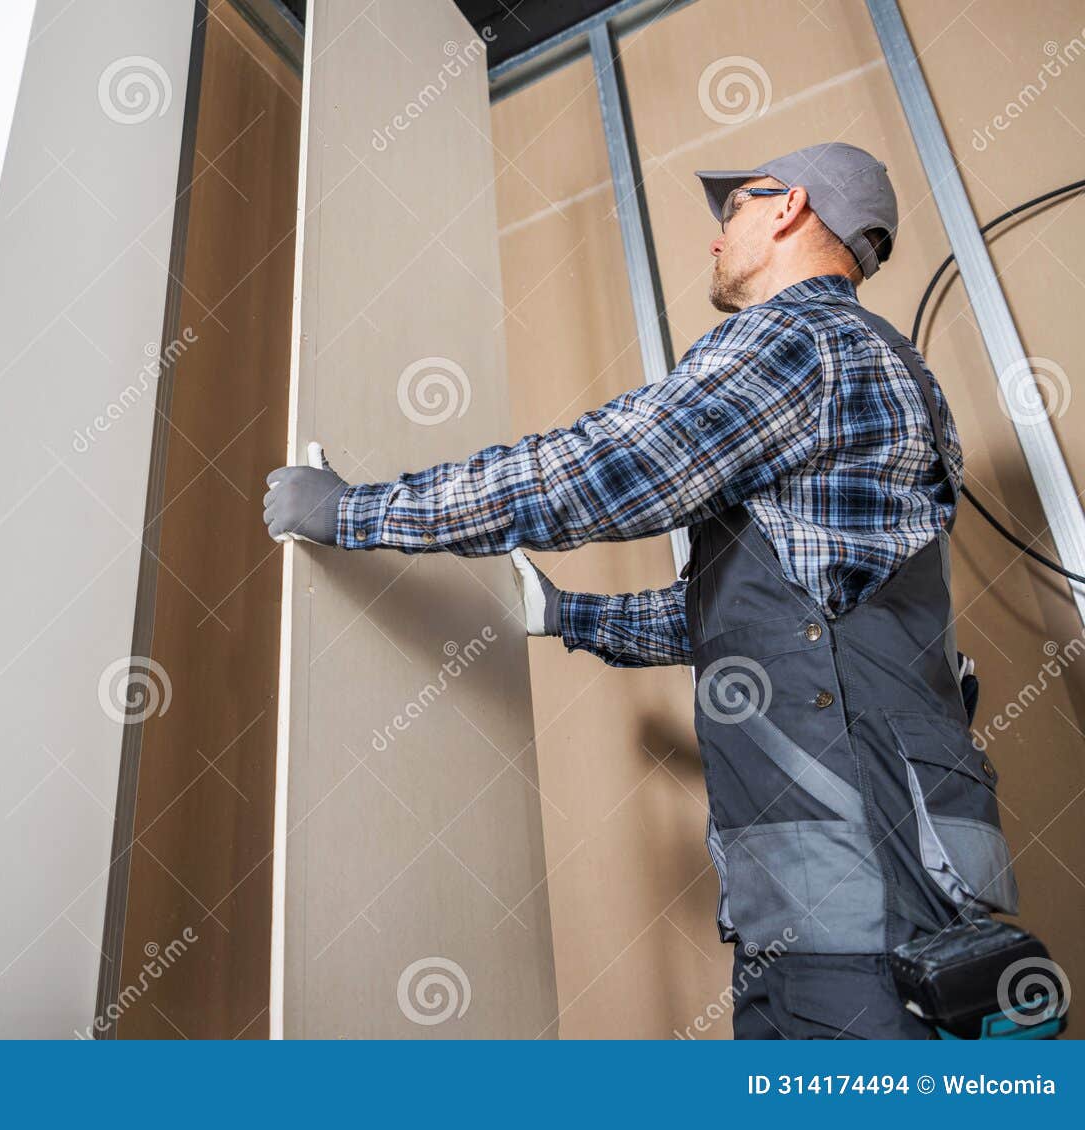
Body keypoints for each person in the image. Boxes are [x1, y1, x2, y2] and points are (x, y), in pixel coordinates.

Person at [262, 142, 1018, 1040]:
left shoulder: (801, 342)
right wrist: (568, 616)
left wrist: (360, 513)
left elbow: (605, 468)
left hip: (854, 899)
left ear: (789, 208)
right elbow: (788, 618)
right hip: (856, 892)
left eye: (733, 208)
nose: (715, 238)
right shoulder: (891, 369)